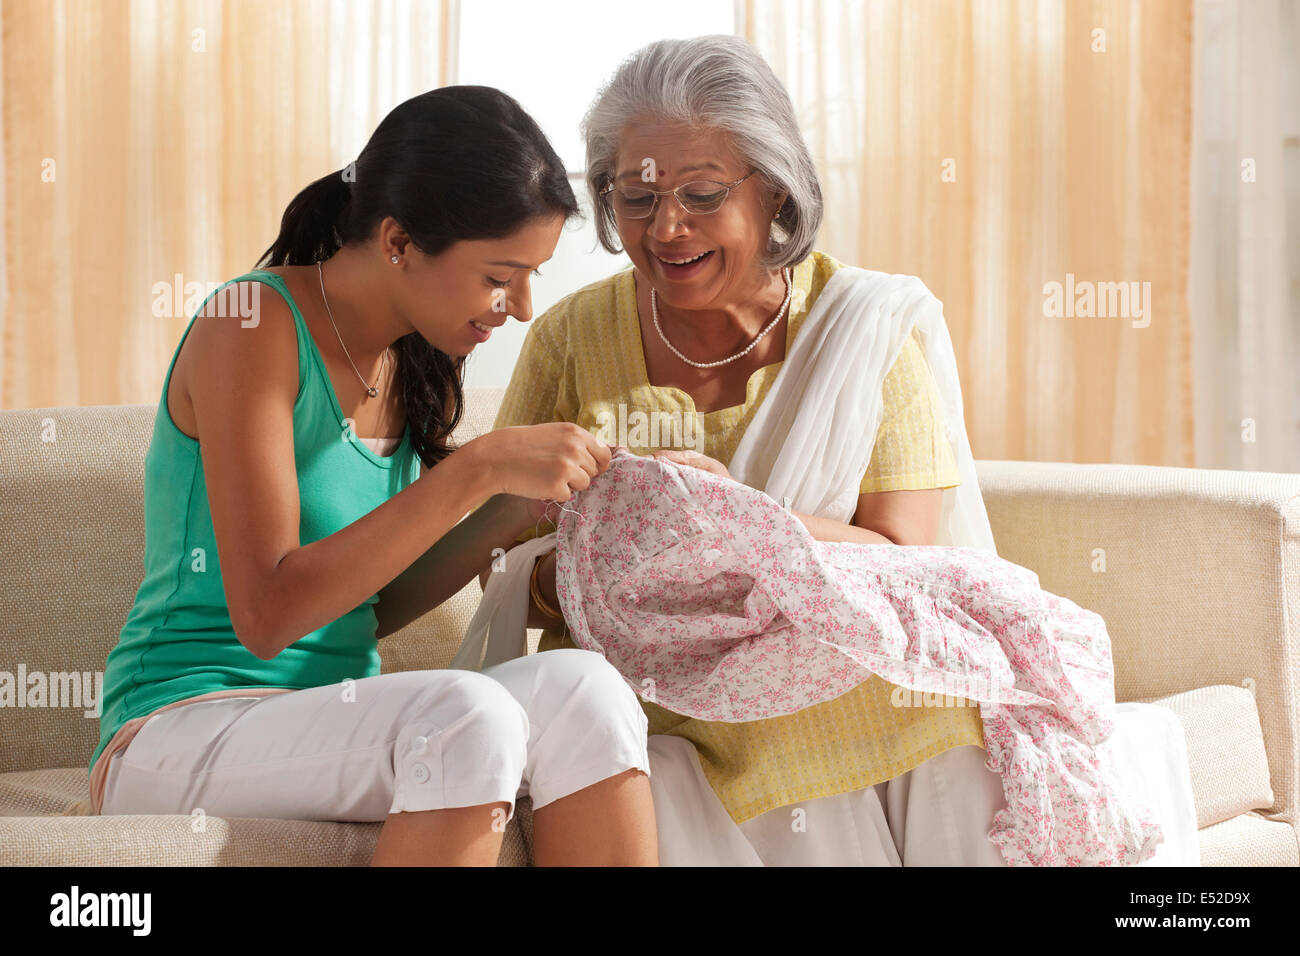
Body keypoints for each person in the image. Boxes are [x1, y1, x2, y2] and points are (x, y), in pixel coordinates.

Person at [89, 86, 657, 866]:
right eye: (502, 274)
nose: (521, 307)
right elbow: (271, 615)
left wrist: (511, 510)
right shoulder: (250, 327)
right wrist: (477, 469)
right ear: (398, 243)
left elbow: (368, 608)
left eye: (531, 276)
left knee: (588, 692)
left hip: (325, 719)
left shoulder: (411, 354)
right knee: (469, 713)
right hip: (183, 726)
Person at [494, 36, 1010, 865]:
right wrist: (623, 562)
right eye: (636, 197)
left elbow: (907, 557)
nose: (666, 228)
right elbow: (511, 561)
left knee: (948, 730)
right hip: (647, 695)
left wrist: (738, 528)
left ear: (775, 191)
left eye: (701, 195)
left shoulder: (863, 329)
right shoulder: (570, 338)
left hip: (832, 676)